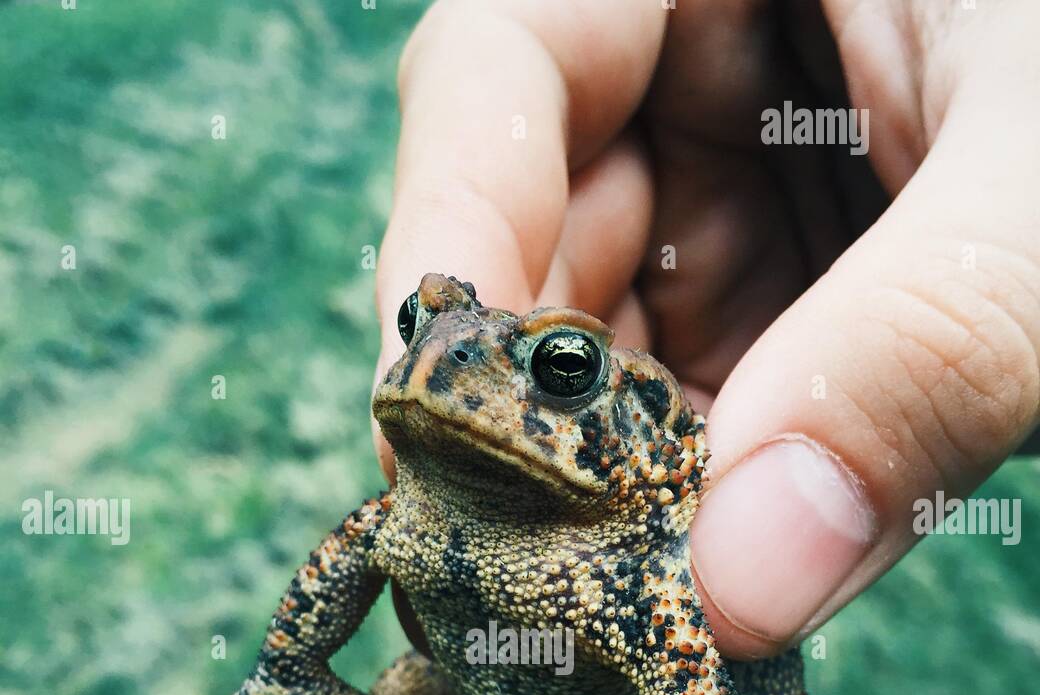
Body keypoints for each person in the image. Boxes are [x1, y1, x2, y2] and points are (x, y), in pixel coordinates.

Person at [372, 0, 1039, 658]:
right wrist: (289, 675)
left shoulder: (648, 574)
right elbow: (344, 559)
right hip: (497, 658)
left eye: (562, 366)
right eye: (416, 325)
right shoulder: (415, 520)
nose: (441, 358)